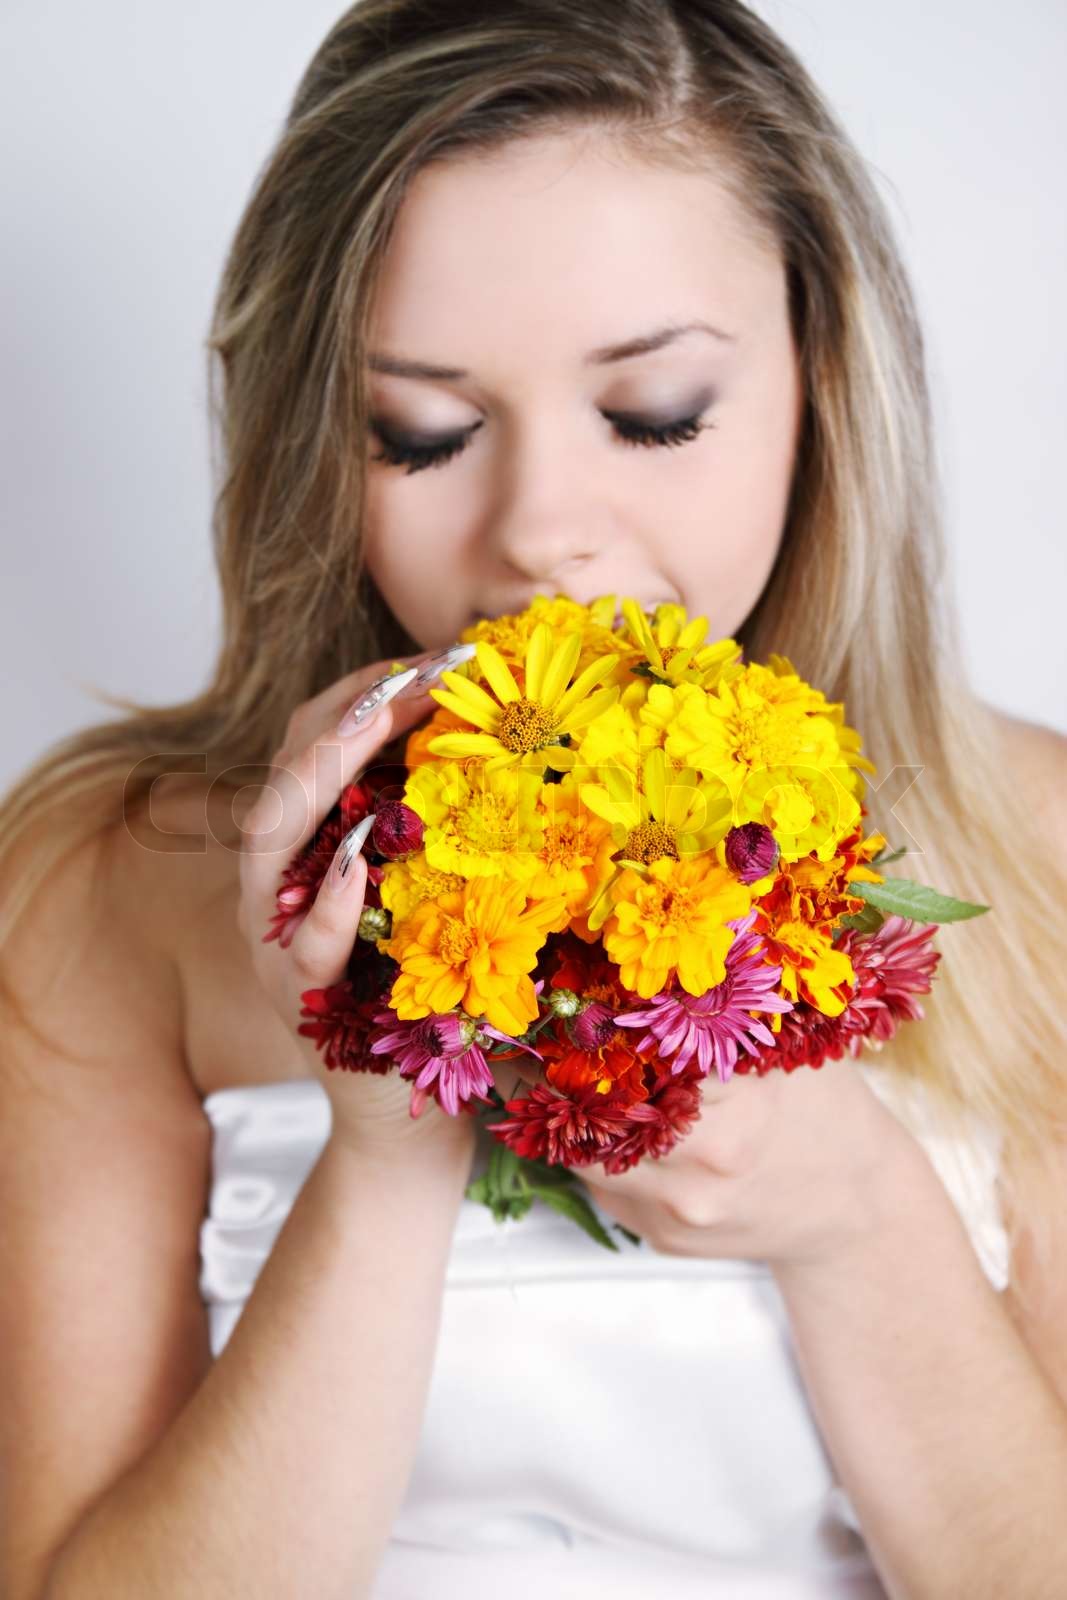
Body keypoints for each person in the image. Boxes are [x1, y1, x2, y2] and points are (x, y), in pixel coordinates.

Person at [2, 2, 1066, 1597]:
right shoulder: (103, 881)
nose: (542, 533)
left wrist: (855, 1213)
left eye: (653, 415)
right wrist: (384, 1118)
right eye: (421, 434)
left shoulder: (1037, 850)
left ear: (820, 385)